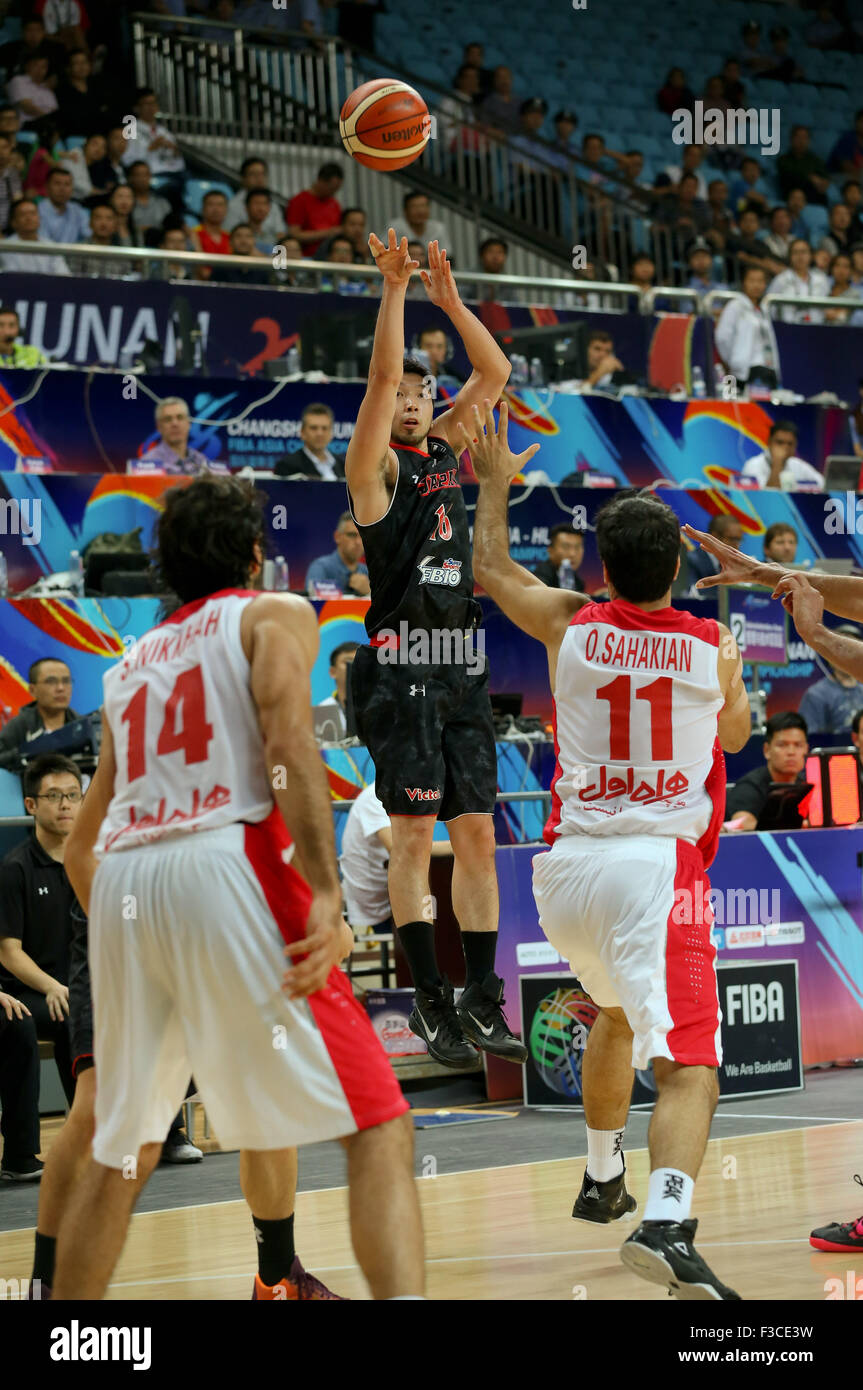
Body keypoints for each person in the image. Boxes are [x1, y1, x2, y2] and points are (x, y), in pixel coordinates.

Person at [51, 475, 423, 1302]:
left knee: (123, 1153)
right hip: (227, 858)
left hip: (124, 884)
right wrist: (324, 888)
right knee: (378, 1126)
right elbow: (288, 743)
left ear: (168, 573)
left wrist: (137, 940)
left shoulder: (125, 670)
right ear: (254, 556)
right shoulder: (271, 613)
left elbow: (83, 848)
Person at [469, 403, 749, 1299]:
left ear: (600, 567)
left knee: (617, 1016)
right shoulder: (714, 648)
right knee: (691, 1062)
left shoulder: (567, 622)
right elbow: (737, 739)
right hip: (651, 869)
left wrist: (491, 482)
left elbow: (486, 567)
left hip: (567, 871)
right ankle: (666, 1222)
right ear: (676, 565)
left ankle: (600, 1174)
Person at [345, 229, 525, 1069]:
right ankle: (426, 1000)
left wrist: (451, 302)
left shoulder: (450, 449)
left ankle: (481, 998)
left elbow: (496, 376)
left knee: (480, 836)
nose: (412, 401)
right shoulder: (371, 473)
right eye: (403, 395)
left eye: (423, 393)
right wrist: (393, 290)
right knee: (414, 840)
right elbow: (381, 378)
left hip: (459, 664)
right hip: (400, 664)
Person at [0, 755, 83, 1175]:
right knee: (42, 1021)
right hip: (26, 989)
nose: (65, 804)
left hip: (74, 988)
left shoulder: (91, 865)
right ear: (31, 805)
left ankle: (162, 1134)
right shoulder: (16, 868)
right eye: (54, 796)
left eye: (73, 795)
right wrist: (52, 986)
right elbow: (8, 952)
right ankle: (20, 1154)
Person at [341, 781, 454, 938]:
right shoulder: (375, 798)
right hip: (378, 907)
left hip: (392, 892)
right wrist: (462, 846)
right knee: (446, 912)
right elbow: (400, 849)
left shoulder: (404, 794)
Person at [714, 265, 780, 389]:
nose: (756, 285)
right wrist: (734, 361)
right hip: (743, 371)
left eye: (760, 281)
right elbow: (722, 338)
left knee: (765, 407)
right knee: (737, 404)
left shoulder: (764, 310)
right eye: (752, 280)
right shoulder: (735, 306)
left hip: (768, 367)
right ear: (744, 283)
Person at [0, 659, 79, 762]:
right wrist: (28, 752)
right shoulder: (19, 726)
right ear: (33, 690)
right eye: (51, 681)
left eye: (66, 681)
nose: (61, 688)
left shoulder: (81, 725)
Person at [798, 625, 863, 736]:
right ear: (829, 656)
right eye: (840, 651)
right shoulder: (816, 695)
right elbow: (811, 739)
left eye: (853, 652)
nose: (847, 658)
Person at [120, 87, 185, 183]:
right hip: (150, 178)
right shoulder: (130, 130)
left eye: (154, 103)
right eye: (147, 104)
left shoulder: (164, 131)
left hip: (174, 174)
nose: (151, 107)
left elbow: (179, 163)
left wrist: (175, 152)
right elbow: (127, 161)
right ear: (137, 108)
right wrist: (150, 148)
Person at [140, 397, 220, 475]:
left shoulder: (201, 461)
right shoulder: (148, 463)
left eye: (180, 417)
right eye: (168, 419)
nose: (175, 423)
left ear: (188, 423)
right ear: (159, 426)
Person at [741, 420, 823, 491]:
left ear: (795, 445)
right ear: (769, 442)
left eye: (790, 444)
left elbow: (823, 485)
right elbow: (768, 498)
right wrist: (777, 462)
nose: (785, 447)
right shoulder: (753, 465)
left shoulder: (798, 465)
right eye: (780, 442)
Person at [285, 161, 343, 256]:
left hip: (331, 256)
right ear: (321, 180)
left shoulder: (334, 203)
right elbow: (294, 234)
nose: (333, 193)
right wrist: (327, 233)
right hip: (308, 257)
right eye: (332, 188)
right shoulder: (299, 201)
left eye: (336, 190)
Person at [1, 196, 70, 274]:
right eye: (23, 214)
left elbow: (63, 276)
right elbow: (10, 278)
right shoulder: (5, 248)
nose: (29, 218)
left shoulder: (51, 246)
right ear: (13, 222)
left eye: (33, 213)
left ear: (39, 219)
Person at [274, 403, 342, 482]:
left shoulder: (343, 465)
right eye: (313, 428)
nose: (319, 433)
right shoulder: (286, 466)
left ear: (331, 433)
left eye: (324, 428)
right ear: (302, 432)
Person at [305, 511, 369, 595]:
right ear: (337, 537)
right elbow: (314, 605)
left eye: (363, 535)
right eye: (352, 535)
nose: (358, 542)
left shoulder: (368, 572)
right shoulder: (321, 567)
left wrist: (369, 592)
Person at [225, 157, 284, 239]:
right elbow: (229, 234)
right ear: (243, 178)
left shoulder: (273, 205)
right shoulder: (233, 205)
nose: (259, 178)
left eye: (262, 174)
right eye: (253, 174)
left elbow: (280, 234)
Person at [686, 514, 743, 595]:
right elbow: (691, 593)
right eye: (732, 539)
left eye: (739, 540)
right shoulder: (692, 560)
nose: (737, 546)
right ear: (714, 537)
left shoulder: (739, 563)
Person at [777, 126, 830, 205]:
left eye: (805, 137)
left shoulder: (815, 160)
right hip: (791, 192)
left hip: (813, 195)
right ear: (792, 139)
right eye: (798, 137)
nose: (801, 141)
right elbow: (789, 174)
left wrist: (824, 182)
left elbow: (825, 176)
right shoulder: (783, 159)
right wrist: (811, 178)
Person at [317, 640, 360, 737]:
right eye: (348, 662)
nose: (354, 666)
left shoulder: (379, 708)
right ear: (333, 672)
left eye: (359, 661)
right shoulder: (322, 712)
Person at [38, 166, 90, 243]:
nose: (62, 189)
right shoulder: (37, 211)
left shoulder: (77, 210)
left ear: (72, 188)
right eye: (57, 183)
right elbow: (43, 243)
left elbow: (88, 235)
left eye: (67, 184)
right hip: (47, 254)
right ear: (47, 187)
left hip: (74, 254)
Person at [8, 53, 58, 127]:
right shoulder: (18, 81)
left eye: (43, 66)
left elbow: (55, 110)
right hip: (27, 125)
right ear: (27, 66)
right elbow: (28, 107)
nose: (40, 69)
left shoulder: (47, 88)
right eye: (36, 65)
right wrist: (50, 120)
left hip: (47, 125)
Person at [531, 524, 586, 591]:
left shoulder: (578, 583)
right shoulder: (540, 579)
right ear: (550, 551)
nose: (572, 554)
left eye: (577, 547)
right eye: (566, 547)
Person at [126, 160, 171, 239]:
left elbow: (170, 228)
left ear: (150, 177)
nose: (142, 179)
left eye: (146, 174)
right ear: (130, 178)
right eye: (138, 175)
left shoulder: (162, 202)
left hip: (160, 245)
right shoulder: (125, 202)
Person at [0, 304, 49, 369]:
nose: (7, 332)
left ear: (19, 329)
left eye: (11, 325)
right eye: (1, 325)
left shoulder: (33, 353)